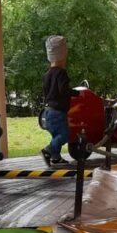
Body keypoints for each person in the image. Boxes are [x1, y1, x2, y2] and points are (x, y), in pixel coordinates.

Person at [40, 35, 77, 167]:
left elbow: (45, 92)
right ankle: (48, 150)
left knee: (56, 134)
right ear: (62, 55)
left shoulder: (46, 74)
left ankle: (56, 157)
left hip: (48, 110)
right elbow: (64, 90)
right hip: (58, 111)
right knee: (64, 135)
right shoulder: (61, 73)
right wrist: (76, 93)